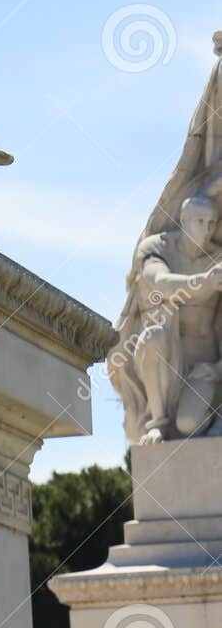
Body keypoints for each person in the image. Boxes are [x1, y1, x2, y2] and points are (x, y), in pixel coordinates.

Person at [111, 190, 222, 443]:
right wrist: (204, 281)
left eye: (212, 223)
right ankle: (157, 423)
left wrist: (217, 369)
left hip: (203, 367)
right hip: (167, 359)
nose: (206, 229)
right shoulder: (157, 247)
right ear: (183, 221)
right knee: (152, 335)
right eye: (200, 222)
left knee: (188, 424)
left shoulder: (217, 257)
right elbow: (160, 282)